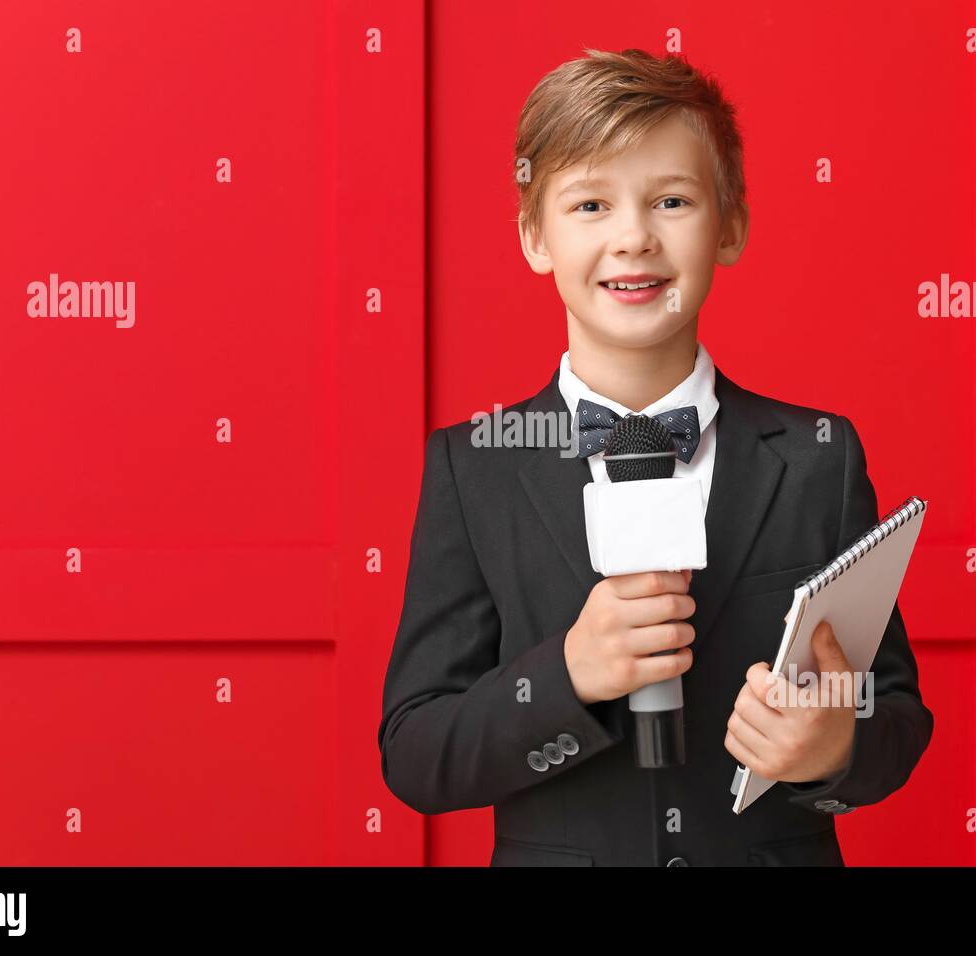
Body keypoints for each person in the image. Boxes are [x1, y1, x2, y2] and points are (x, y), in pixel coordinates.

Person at [377, 48, 933, 866]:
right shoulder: (474, 467)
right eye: (591, 204)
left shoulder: (820, 456)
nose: (633, 237)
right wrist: (564, 675)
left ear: (730, 224)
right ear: (536, 237)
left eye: (672, 200)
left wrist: (833, 746)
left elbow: (894, 712)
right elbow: (417, 751)